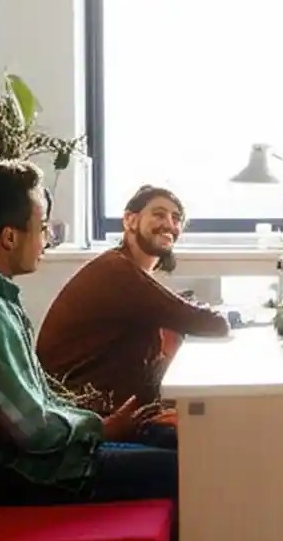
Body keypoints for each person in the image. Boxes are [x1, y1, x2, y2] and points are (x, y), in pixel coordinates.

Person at [0, 162, 179, 515]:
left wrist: (108, 422)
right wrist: (100, 429)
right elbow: (31, 428)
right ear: (9, 237)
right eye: (42, 228)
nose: (48, 239)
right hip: (37, 474)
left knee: (175, 440)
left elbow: (36, 401)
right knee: (190, 469)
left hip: (45, 461)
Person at [37, 185, 229, 448]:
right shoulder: (117, 271)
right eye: (159, 214)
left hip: (110, 415)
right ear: (130, 220)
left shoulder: (124, 270)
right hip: (89, 424)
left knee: (209, 429)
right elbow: (212, 323)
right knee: (209, 443)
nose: (169, 224)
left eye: (176, 218)